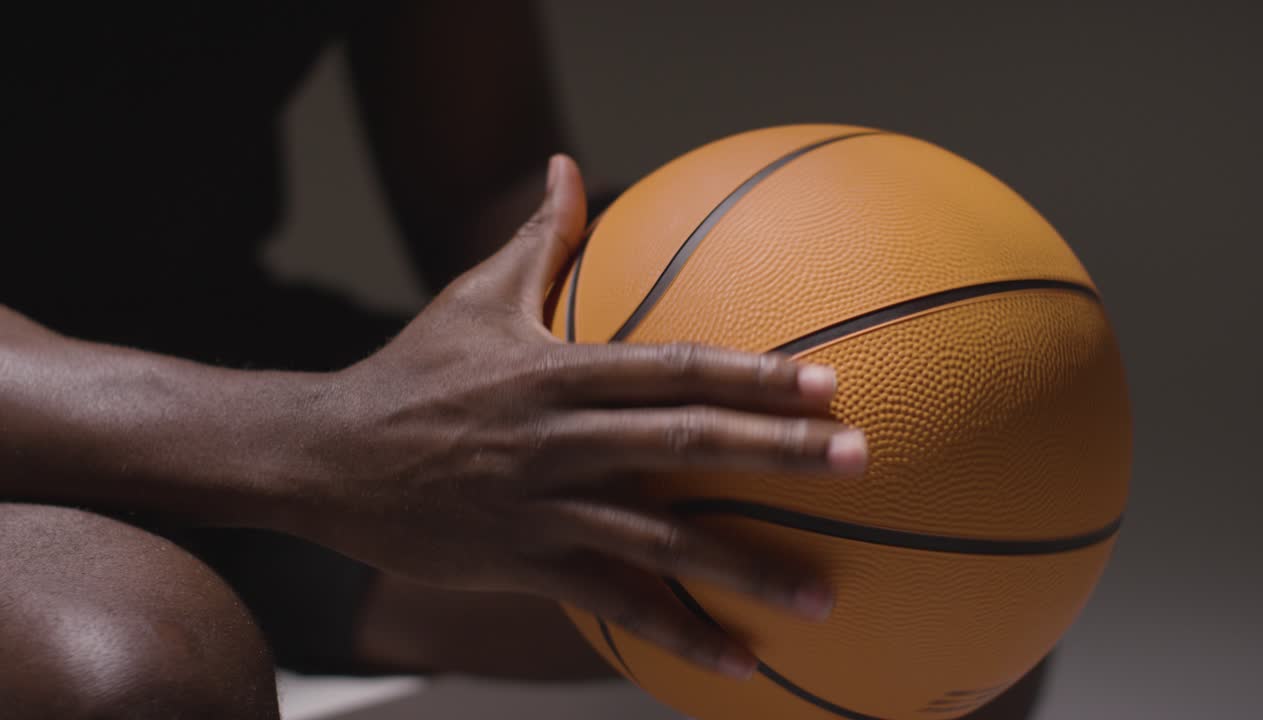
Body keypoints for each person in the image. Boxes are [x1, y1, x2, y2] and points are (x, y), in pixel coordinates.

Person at [0, 2, 1048, 718]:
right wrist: (320, 440)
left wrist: (766, 302)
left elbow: (487, 179)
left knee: (925, 572)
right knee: (134, 680)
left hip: (225, 353)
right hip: (88, 427)